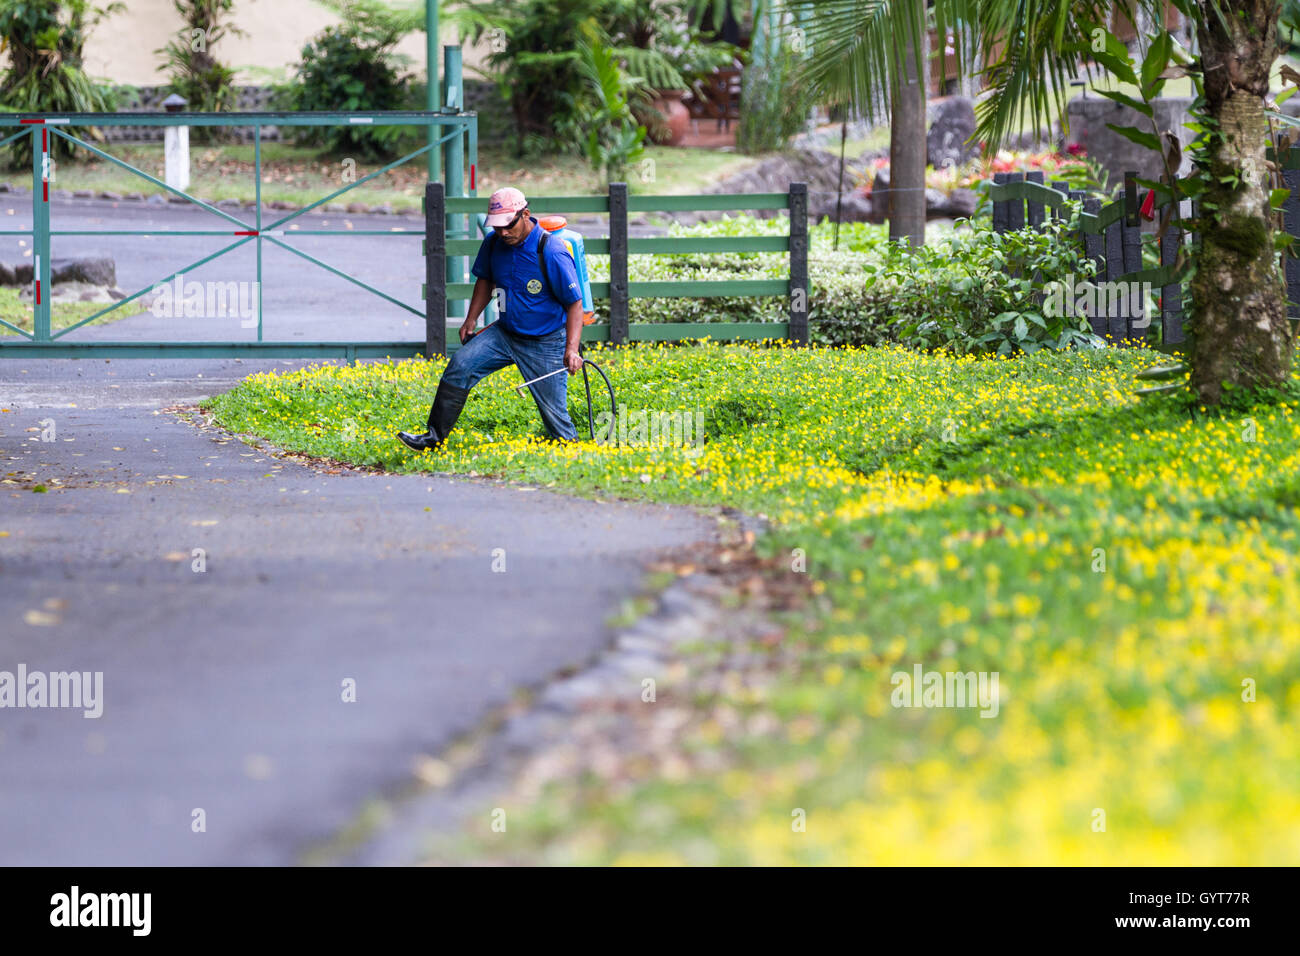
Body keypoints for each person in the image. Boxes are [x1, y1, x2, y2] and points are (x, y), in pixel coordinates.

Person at [397, 187, 585, 451]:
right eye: (497, 227)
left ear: (525, 215)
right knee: (460, 365)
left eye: (508, 226)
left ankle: (570, 451)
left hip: (545, 342)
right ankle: (433, 438)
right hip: (504, 334)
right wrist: (470, 319)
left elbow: (575, 304)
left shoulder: (551, 251)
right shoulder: (493, 242)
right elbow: (485, 280)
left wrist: (572, 349)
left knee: (558, 424)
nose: (503, 233)